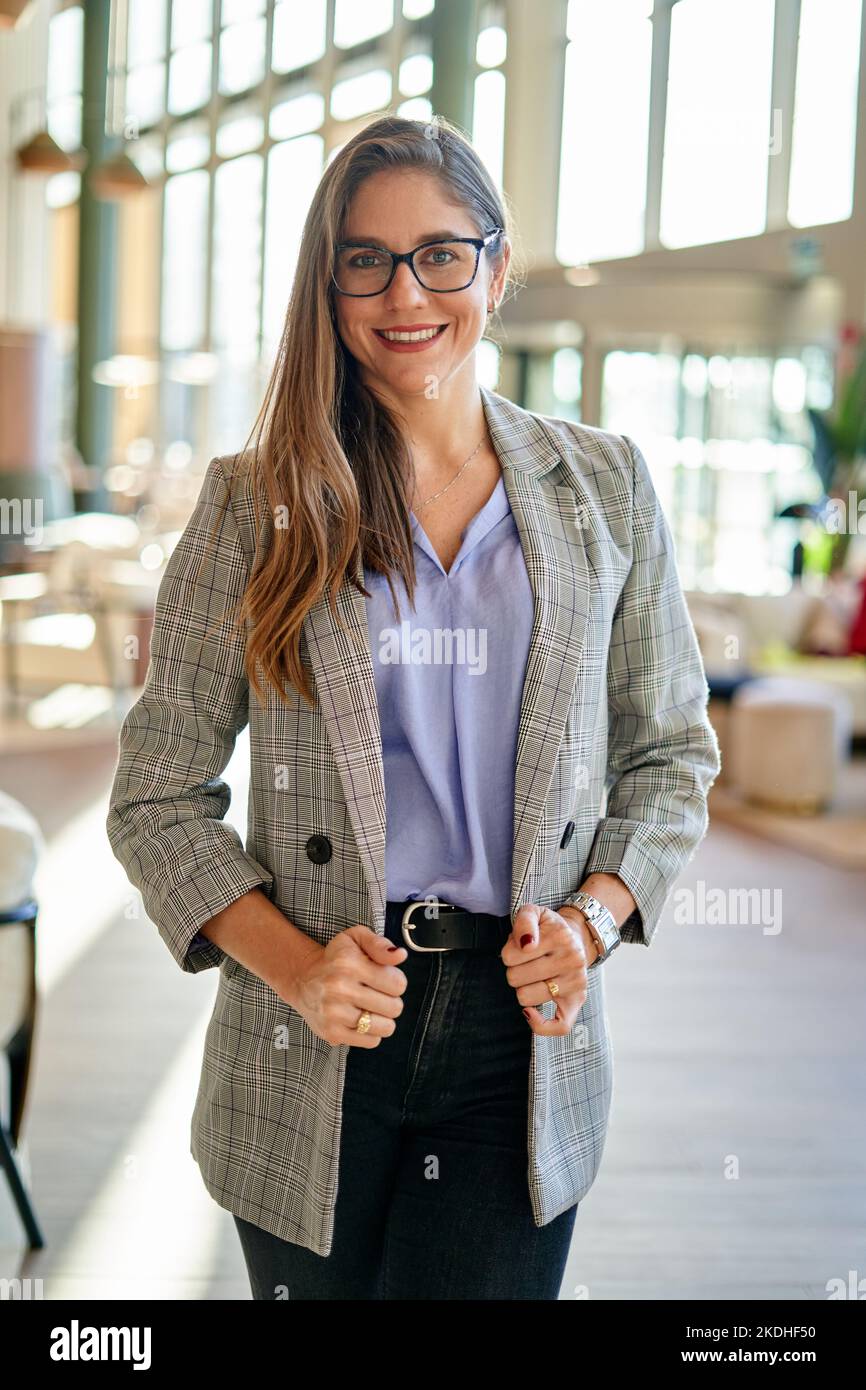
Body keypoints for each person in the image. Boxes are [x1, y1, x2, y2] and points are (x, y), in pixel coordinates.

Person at [106, 113, 721, 1300]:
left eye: (440, 253)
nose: (406, 291)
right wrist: (293, 968)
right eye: (365, 259)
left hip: (520, 1039)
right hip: (315, 1033)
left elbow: (669, 754)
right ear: (328, 286)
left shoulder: (603, 485)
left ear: (494, 269)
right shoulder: (252, 505)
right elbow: (156, 797)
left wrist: (591, 922)